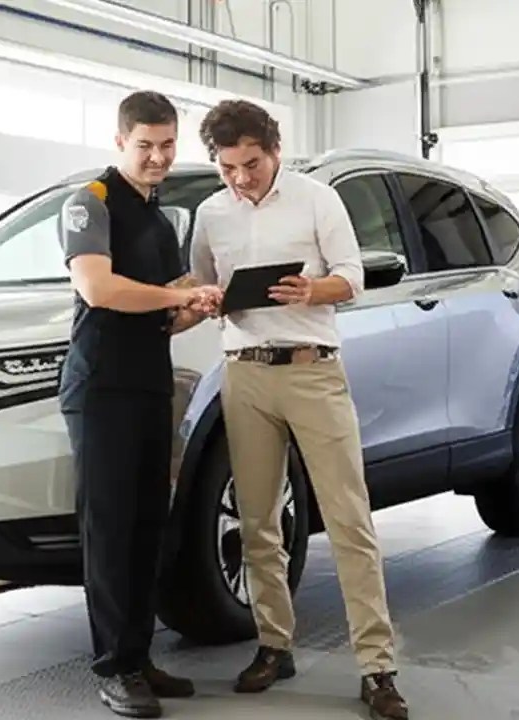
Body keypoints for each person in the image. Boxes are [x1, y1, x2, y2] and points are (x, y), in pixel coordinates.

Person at [188, 99, 409, 720]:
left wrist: (314, 289)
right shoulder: (210, 214)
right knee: (257, 520)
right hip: (244, 375)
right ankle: (273, 645)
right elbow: (200, 283)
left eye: (251, 164)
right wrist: (208, 299)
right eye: (228, 167)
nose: (240, 178)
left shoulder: (317, 199)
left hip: (313, 371)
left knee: (348, 519)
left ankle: (377, 667)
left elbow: (353, 277)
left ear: (275, 151)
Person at [58, 89, 223, 719]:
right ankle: (114, 668)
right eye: (145, 145)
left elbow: (161, 319)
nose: (158, 157)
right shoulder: (90, 203)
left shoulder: (160, 220)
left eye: (167, 145)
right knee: (110, 531)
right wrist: (175, 295)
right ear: (120, 141)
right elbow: (98, 289)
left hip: (152, 382)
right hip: (102, 389)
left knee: (149, 524)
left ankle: (138, 655)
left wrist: (200, 305)